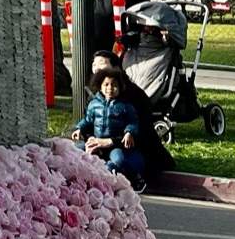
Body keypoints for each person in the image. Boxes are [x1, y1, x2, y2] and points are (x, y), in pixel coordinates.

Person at [87, 51, 171, 181]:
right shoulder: (97, 95)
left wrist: (110, 141)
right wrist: (88, 138)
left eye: (102, 64)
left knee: (119, 160)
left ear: (116, 68)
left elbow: (141, 130)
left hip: (129, 147)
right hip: (100, 146)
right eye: (94, 65)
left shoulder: (134, 96)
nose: (97, 68)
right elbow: (88, 122)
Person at [73, 69, 143, 187]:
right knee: (76, 151)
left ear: (120, 87)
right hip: (96, 141)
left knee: (119, 159)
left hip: (114, 143)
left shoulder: (125, 106)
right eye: (106, 84)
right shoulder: (94, 104)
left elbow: (133, 122)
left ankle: (120, 178)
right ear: (100, 86)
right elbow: (88, 120)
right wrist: (79, 128)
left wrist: (128, 132)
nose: (110, 88)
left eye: (114, 85)